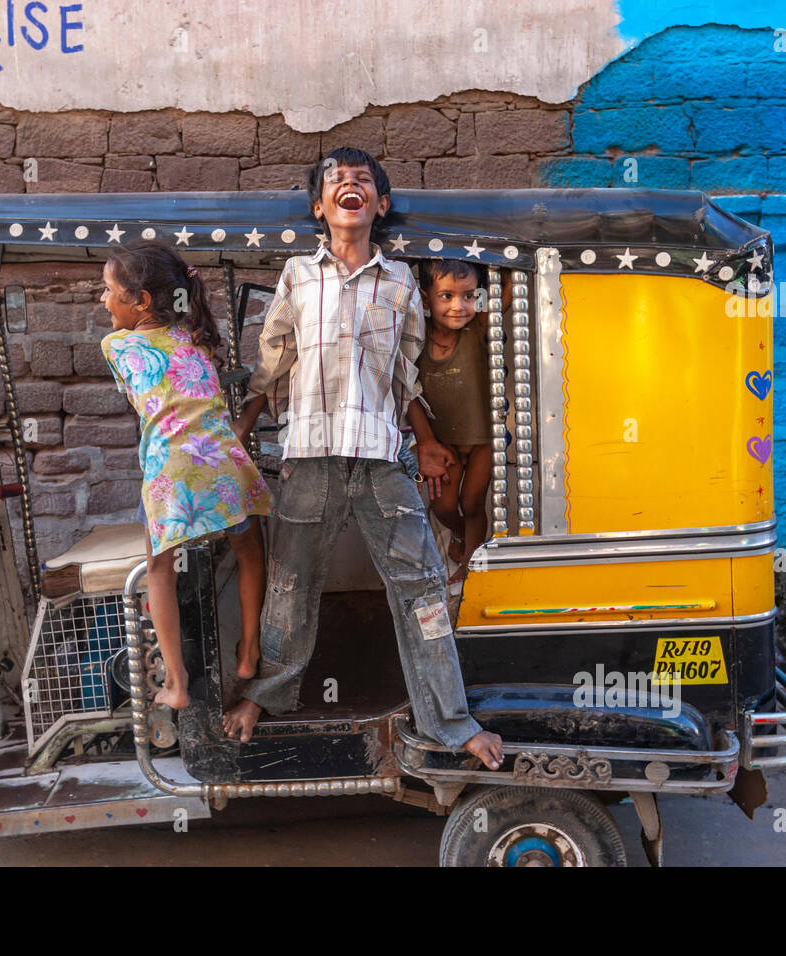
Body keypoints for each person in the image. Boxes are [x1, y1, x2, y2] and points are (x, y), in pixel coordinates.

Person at [223, 147, 504, 770]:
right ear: (318, 207)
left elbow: (404, 376)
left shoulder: (401, 281)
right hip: (310, 459)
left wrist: (423, 438)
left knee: (425, 587)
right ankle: (266, 697)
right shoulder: (299, 275)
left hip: (381, 460)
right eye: (335, 181)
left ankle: (451, 720)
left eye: (363, 181)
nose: (349, 186)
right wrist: (242, 424)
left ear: (378, 204)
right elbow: (273, 359)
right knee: (291, 588)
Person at [100, 240, 272, 708]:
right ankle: (249, 649)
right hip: (223, 463)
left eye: (110, 291)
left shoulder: (116, 344)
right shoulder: (195, 336)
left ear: (141, 301)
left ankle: (175, 683)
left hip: (171, 473)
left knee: (160, 570)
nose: (103, 300)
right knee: (250, 551)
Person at [416, 260, 493, 585]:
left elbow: (504, 291)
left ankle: (473, 563)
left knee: (472, 502)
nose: (459, 306)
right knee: (444, 508)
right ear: (425, 298)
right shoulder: (415, 337)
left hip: (482, 441)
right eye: (446, 296)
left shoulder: (478, 328)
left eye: (469, 296)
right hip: (442, 443)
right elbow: (406, 391)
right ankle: (460, 534)